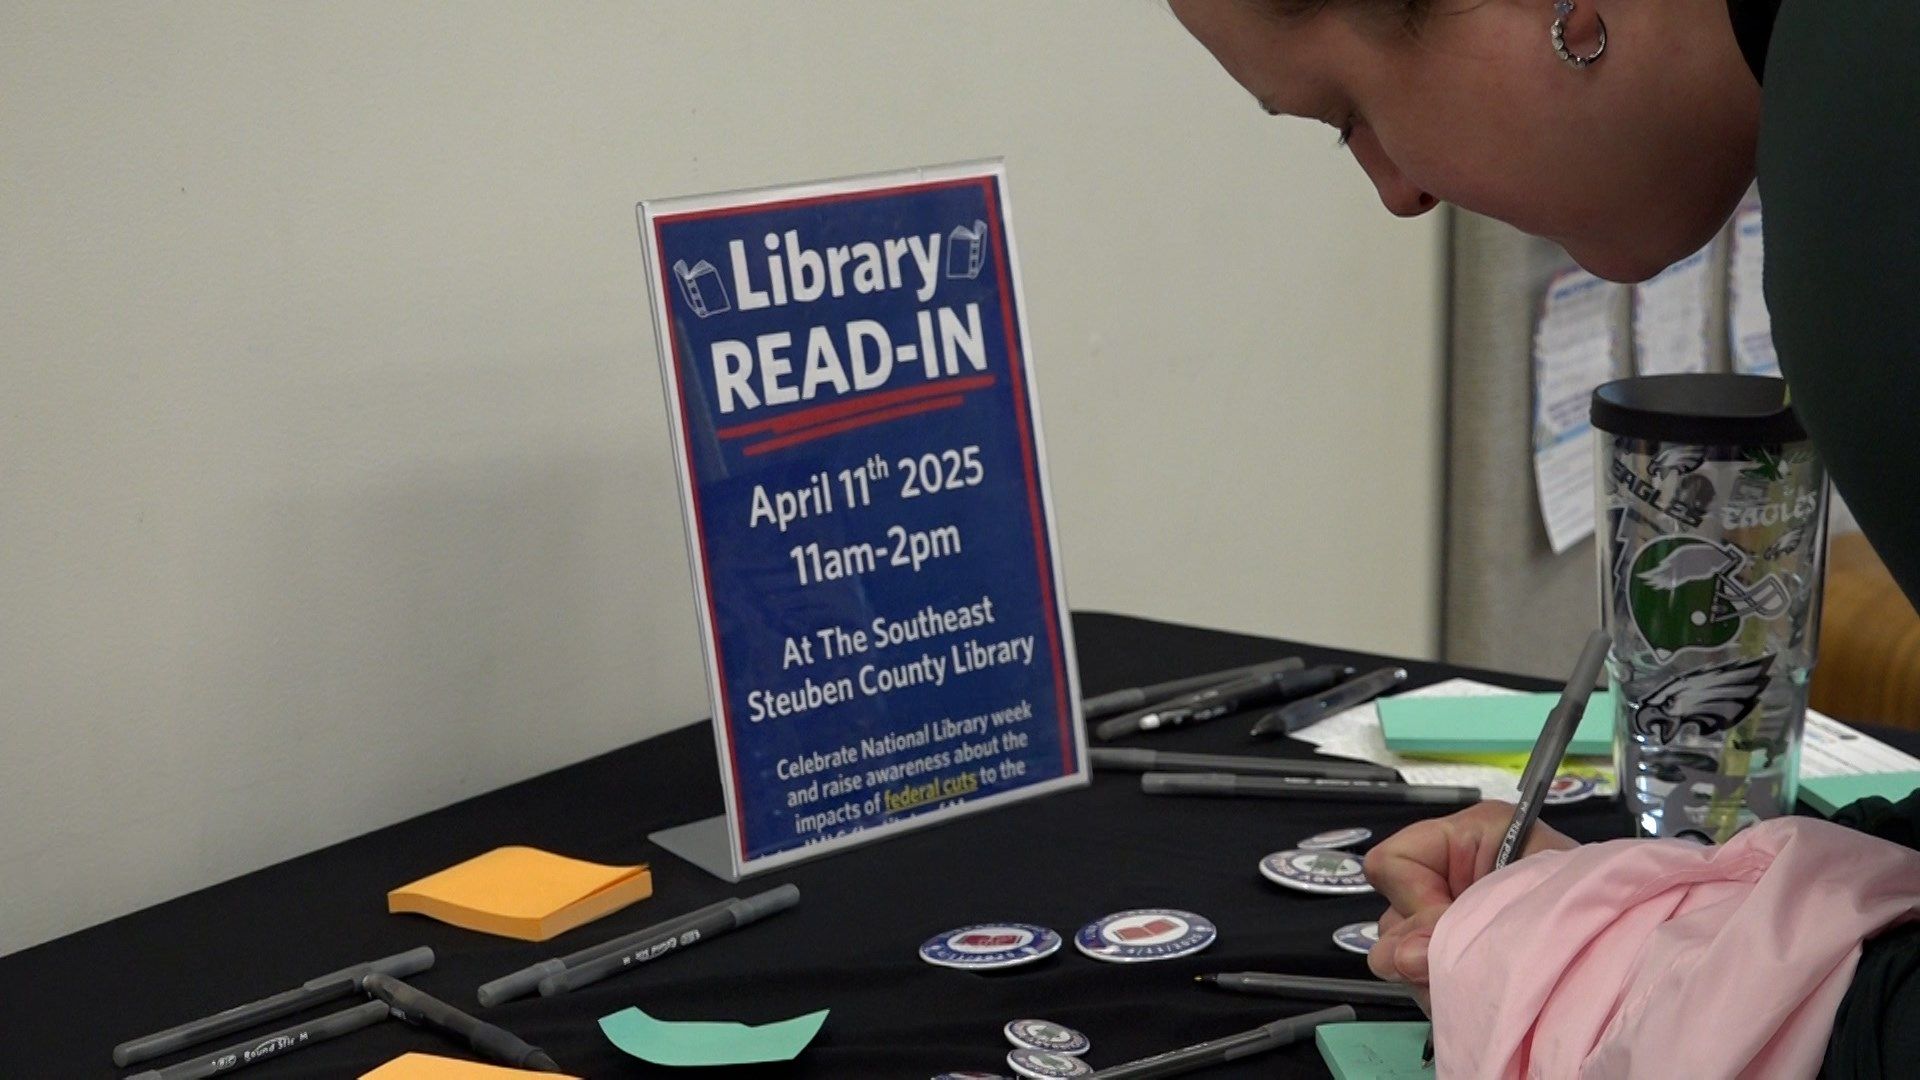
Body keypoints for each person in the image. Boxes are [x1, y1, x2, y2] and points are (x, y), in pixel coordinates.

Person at [1169, 0, 1920, 1073]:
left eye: (1351, 111)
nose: (1396, 191)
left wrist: (1660, 999)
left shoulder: (1875, 180)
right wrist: (1695, 914)